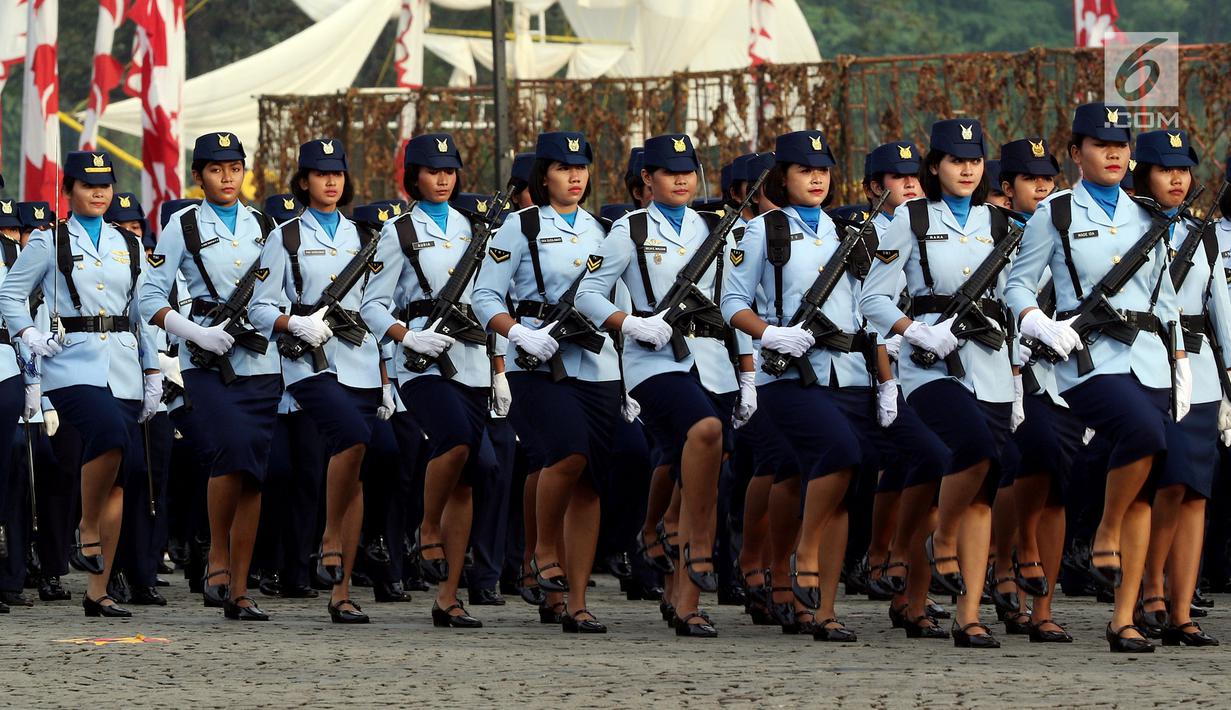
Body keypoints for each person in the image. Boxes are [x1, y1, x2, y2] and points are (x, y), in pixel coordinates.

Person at [1005, 103, 1185, 653]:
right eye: (1100, 145)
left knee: (1146, 485)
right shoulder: (1056, 212)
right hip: (1088, 361)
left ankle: (1123, 619)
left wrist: (1179, 360)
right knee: (1143, 435)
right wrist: (1037, 321)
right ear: (1076, 153)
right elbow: (1017, 284)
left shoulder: (1147, 215)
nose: (1113, 154)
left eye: (1120, 146)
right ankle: (1104, 531)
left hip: (1148, 358)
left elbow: (1165, 296)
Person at [575, 133, 754, 638]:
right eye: (669, 172)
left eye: (687, 171)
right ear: (647, 180)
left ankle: (679, 592)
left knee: (699, 465)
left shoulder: (716, 229)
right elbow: (588, 294)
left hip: (712, 358)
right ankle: (689, 548)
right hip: (654, 359)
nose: (680, 180)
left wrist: (747, 371)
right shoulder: (629, 230)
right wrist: (630, 323)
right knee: (704, 432)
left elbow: (735, 302)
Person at [861, 119, 1021, 648]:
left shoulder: (1000, 222)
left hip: (990, 362)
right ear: (935, 166)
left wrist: (1021, 362)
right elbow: (873, 298)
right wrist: (914, 331)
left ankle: (968, 615)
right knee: (974, 448)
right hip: (930, 362)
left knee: (982, 488)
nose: (967, 169)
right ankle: (942, 539)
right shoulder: (911, 218)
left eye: (974, 160)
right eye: (955, 160)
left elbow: (1017, 294)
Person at [0, 151, 162, 618]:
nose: (98, 193)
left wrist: (152, 370)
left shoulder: (128, 244)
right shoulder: (48, 240)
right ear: (68, 190)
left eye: (105, 185)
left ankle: (98, 590)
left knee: (120, 477)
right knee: (109, 435)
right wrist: (27, 334)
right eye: (88, 185)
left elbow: (141, 310)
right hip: (71, 363)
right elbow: (11, 294)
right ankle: (86, 528)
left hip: (123, 365)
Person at [472, 131, 620, 633]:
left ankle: (572, 600)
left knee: (590, 480)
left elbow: (617, 298)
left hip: (595, 364)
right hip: (537, 360)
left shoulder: (603, 230)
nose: (575, 177)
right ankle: (541, 550)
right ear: (543, 175)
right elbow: (485, 296)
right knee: (568, 452)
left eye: (581, 167)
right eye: (562, 168)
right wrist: (517, 334)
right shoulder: (520, 226)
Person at [361, 132, 503, 629]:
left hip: (472, 360)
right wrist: (407, 336)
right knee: (457, 439)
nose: (442, 179)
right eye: (431, 171)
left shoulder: (476, 229)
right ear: (414, 177)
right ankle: (426, 526)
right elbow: (372, 305)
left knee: (472, 471)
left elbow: (492, 299)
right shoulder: (398, 231)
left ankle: (448, 596)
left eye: (449, 171)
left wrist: (499, 367)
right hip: (421, 362)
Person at [140, 132, 283, 621]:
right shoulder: (182, 225)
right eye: (216, 169)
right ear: (198, 175)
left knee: (255, 473)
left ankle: (239, 587)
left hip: (259, 360)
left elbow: (277, 293)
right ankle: (217, 554)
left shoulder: (265, 225)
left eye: (235, 168)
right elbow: (149, 297)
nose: (227, 177)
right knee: (230, 452)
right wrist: (194, 333)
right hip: (206, 359)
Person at [250, 138, 385, 624]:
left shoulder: (367, 236)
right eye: (321, 174)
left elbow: (380, 304)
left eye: (337, 174)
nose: (331, 182)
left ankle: (340, 590)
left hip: (360, 359)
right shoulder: (284, 237)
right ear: (303, 181)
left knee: (355, 467)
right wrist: (293, 323)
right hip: (308, 362)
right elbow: (260, 306)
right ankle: (328, 538)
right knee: (352, 438)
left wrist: (389, 373)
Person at [1132, 129, 1227, 647]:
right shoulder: (1126, 229)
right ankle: (1150, 590)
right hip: (1146, 362)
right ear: (1143, 174)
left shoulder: (1204, 234)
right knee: (1165, 484)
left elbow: (1221, 311)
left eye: (1184, 170)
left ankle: (1182, 608)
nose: (1177, 179)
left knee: (1195, 491)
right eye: (1165, 169)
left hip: (1199, 370)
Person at [992, 137, 1080, 641]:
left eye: (1048, 177)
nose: (1042, 186)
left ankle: (1042, 607)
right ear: (1008, 187)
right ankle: (1013, 556)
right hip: (1006, 367)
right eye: (1030, 179)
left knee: (1057, 480)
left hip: (1059, 366)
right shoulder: (991, 230)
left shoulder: (1066, 227)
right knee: (1030, 460)